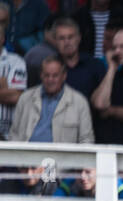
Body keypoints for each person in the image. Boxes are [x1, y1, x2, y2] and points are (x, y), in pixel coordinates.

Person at [12, 55, 92, 143]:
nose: (50, 80)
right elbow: (14, 134)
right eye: (47, 75)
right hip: (27, 154)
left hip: (63, 156)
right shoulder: (26, 98)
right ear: (41, 75)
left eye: (55, 76)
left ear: (64, 76)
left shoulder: (79, 102)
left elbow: (87, 140)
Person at [51, 17, 105, 102]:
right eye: (62, 38)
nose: (67, 42)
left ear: (79, 38)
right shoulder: (49, 68)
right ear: (55, 42)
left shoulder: (95, 65)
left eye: (70, 37)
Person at [0, 3, 26, 141]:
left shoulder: (16, 62)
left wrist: (9, 93)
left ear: (2, 38)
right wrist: (3, 87)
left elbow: (16, 97)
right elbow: (7, 94)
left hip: (8, 134)